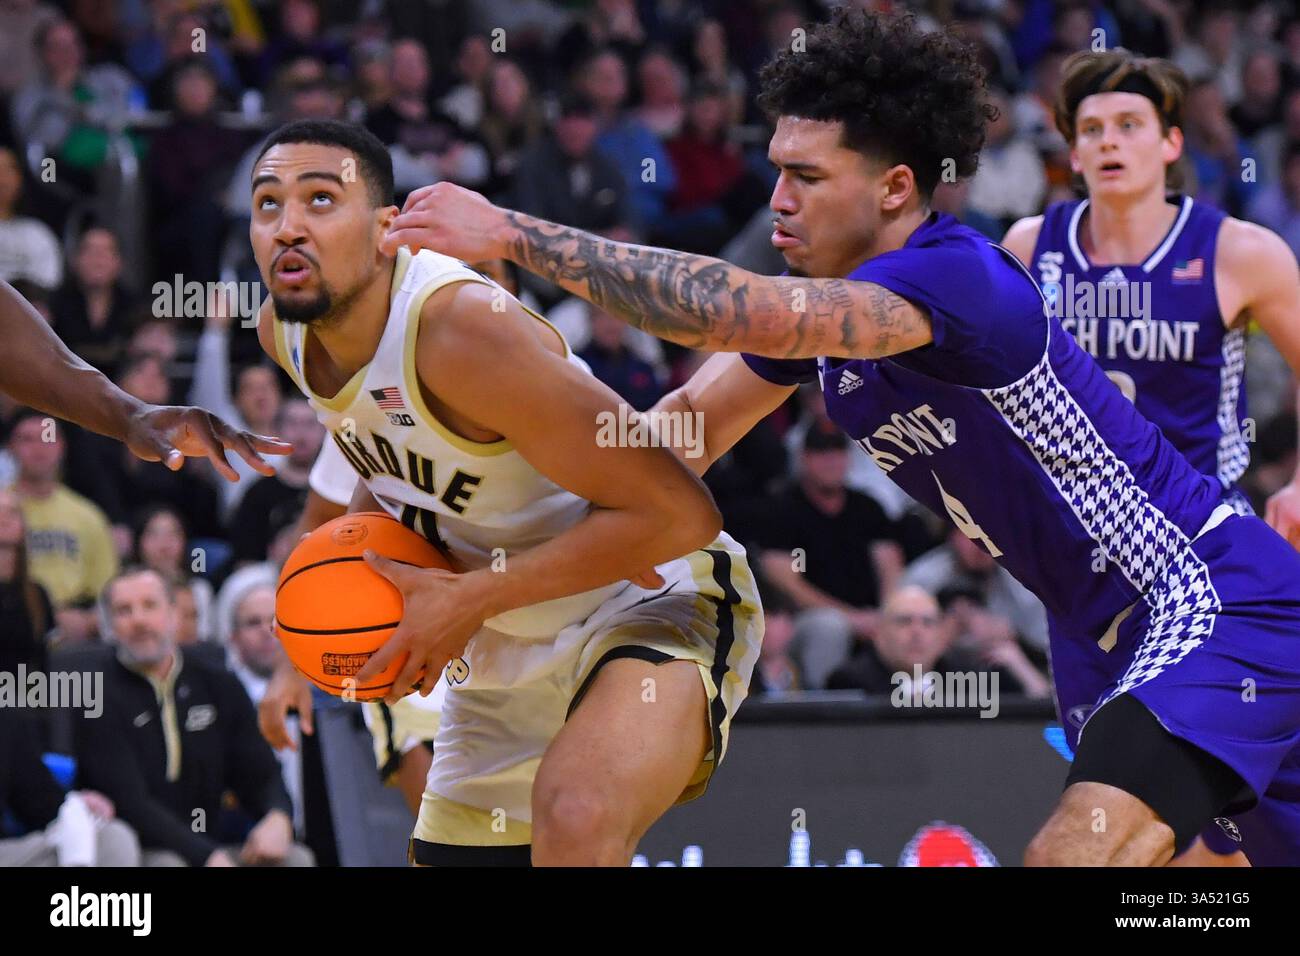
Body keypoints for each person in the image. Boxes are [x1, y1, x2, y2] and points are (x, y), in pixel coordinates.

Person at [389, 8, 1300, 867]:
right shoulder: (826, 319)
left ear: (896, 185)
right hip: (1096, 630)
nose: (777, 199)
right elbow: (666, 447)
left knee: (1074, 855)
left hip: (1210, 599)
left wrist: (513, 232)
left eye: (808, 177)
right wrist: (473, 559)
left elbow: (755, 317)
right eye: (778, 168)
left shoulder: (958, 279)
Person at [247, 119, 762, 866]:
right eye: (268, 204)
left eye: (321, 199)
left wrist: (470, 599)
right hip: (503, 641)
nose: (289, 226)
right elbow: (383, 464)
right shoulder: (284, 332)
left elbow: (678, 512)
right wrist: (321, 624)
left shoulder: (459, 332)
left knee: (577, 817)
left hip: (643, 597)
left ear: (386, 229)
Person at [1000, 47, 1300, 865]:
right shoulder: (1033, 246)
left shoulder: (1240, 250)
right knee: (1122, 812)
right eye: (1089, 128)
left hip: (1202, 554)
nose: (1107, 142)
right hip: (1083, 564)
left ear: (1172, 143)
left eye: (1129, 124)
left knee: (1212, 812)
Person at [75, 566, 313, 867]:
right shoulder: (96, 695)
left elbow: (260, 771)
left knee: (297, 858)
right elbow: (131, 804)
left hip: (212, 846)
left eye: (150, 605)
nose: (139, 620)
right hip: (141, 850)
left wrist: (278, 815)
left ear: (174, 614)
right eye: (124, 611)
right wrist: (206, 856)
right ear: (109, 626)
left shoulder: (217, 684)